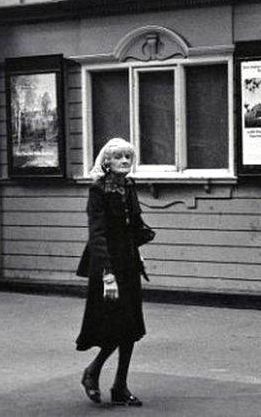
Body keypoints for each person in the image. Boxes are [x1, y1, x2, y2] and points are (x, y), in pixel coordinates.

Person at [76, 138, 152, 406]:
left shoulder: (129, 186)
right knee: (115, 325)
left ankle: (119, 385)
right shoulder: (98, 190)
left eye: (128, 158)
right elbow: (97, 234)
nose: (124, 162)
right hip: (107, 263)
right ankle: (93, 371)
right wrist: (107, 275)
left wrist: (138, 251)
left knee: (130, 326)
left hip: (128, 261)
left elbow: (132, 224)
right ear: (106, 161)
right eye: (118, 157)